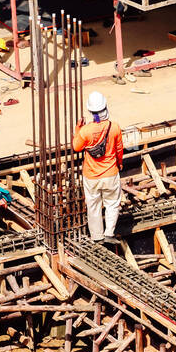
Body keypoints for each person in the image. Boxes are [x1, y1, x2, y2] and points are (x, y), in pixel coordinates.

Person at [71, 91, 124, 244]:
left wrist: (77, 129)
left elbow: (76, 147)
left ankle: (97, 236)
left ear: (91, 111)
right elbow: (119, 149)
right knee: (112, 203)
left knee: (93, 205)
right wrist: (119, 162)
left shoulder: (85, 131)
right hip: (110, 173)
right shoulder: (114, 127)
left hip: (91, 175)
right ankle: (109, 233)